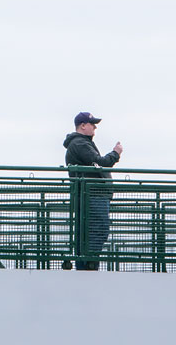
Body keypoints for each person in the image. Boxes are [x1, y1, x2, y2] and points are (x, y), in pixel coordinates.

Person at [63, 111, 123, 271]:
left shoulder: (80, 143)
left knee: (88, 233)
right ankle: (89, 265)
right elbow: (100, 162)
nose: (95, 128)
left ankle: (87, 265)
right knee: (99, 229)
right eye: (92, 124)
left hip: (90, 195)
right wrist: (115, 154)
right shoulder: (80, 144)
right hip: (92, 195)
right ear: (83, 125)